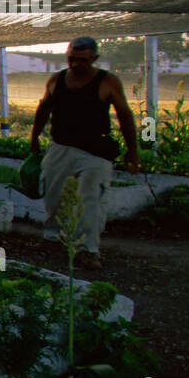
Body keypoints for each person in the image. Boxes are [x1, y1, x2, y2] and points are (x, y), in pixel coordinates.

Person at [29, 37, 139, 269]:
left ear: (94, 59)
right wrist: (34, 138)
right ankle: (57, 238)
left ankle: (87, 250)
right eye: (72, 59)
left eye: (83, 60)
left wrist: (132, 152)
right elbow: (44, 108)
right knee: (54, 195)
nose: (76, 64)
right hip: (60, 147)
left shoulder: (107, 81)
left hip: (95, 152)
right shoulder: (56, 80)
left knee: (90, 198)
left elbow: (125, 115)